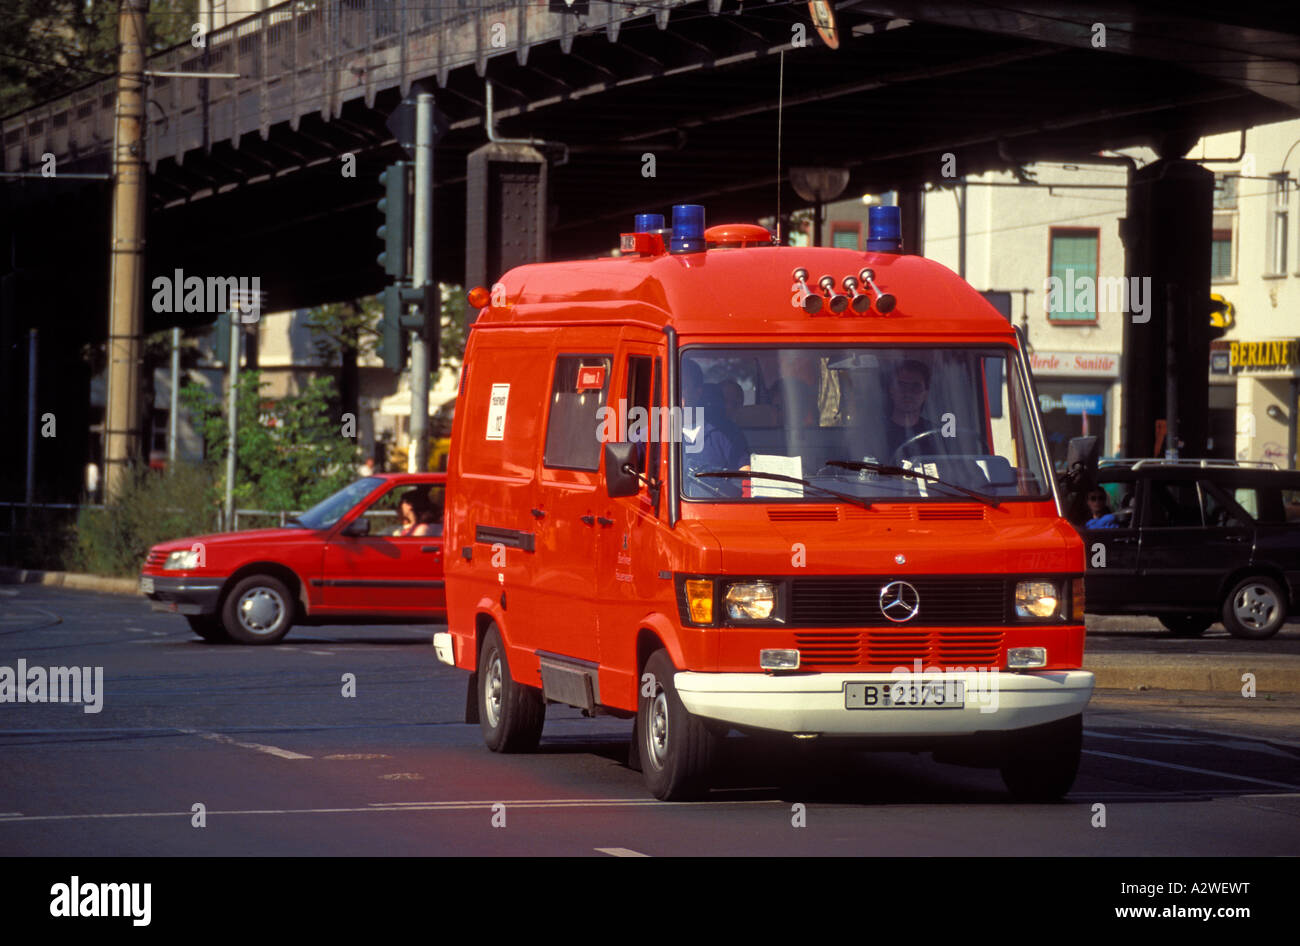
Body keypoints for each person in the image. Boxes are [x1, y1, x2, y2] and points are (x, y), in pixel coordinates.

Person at [681, 360, 749, 496]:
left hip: (716, 510)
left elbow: (745, 474)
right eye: (669, 384)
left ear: (697, 393)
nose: (673, 390)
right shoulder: (655, 430)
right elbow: (631, 469)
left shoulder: (726, 433)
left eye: (682, 386)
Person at [882, 359, 936, 457]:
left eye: (916, 387)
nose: (908, 393)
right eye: (901, 386)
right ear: (891, 391)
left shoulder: (936, 436)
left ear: (926, 394)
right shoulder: (876, 433)